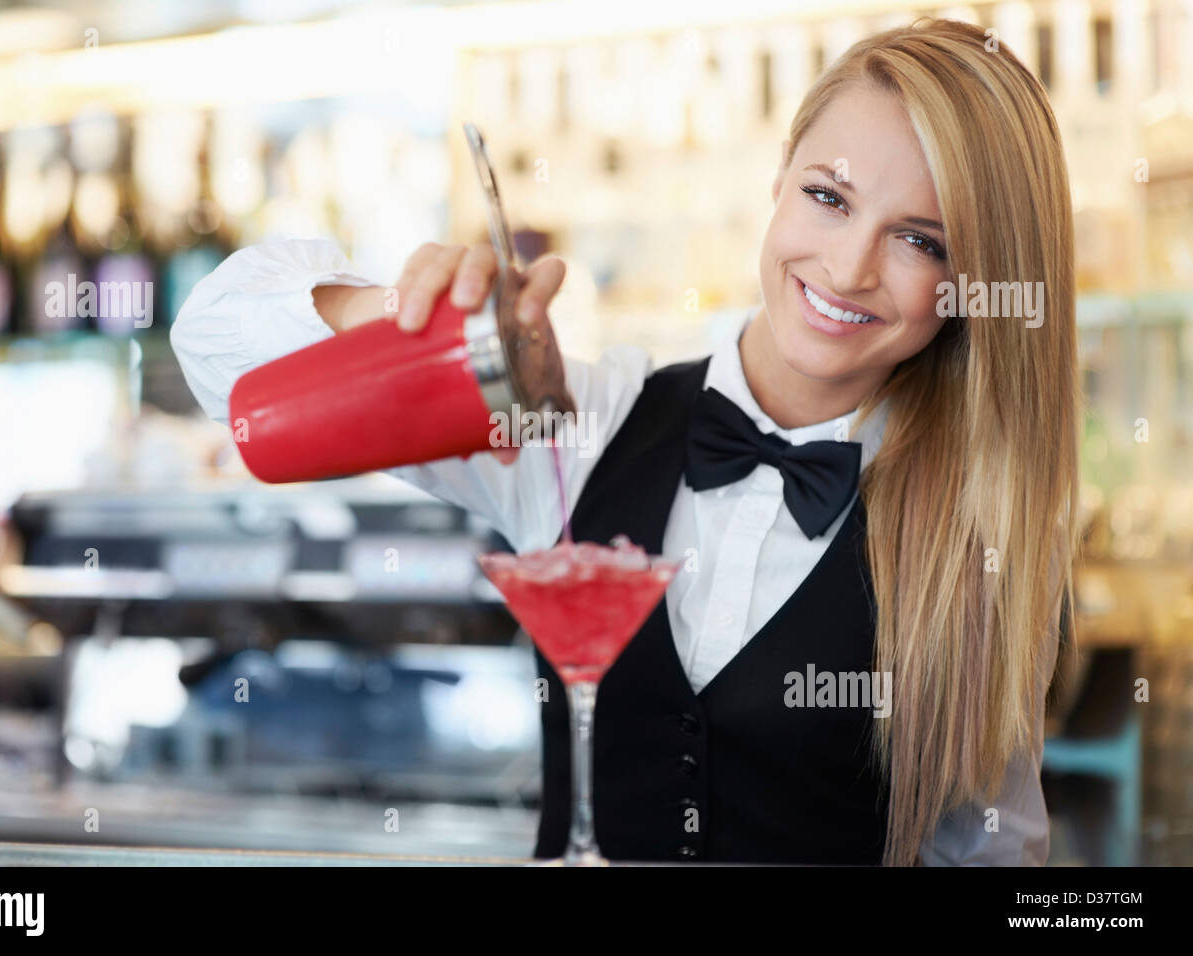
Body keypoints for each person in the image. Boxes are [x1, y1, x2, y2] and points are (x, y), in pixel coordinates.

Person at [171, 18, 1079, 866]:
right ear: (778, 180)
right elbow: (214, 350)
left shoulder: (983, 539)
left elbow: (989, 857)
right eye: (827, 196)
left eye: (920, 240)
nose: (848, 268)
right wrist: (433, 332)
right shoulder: (568, 425)